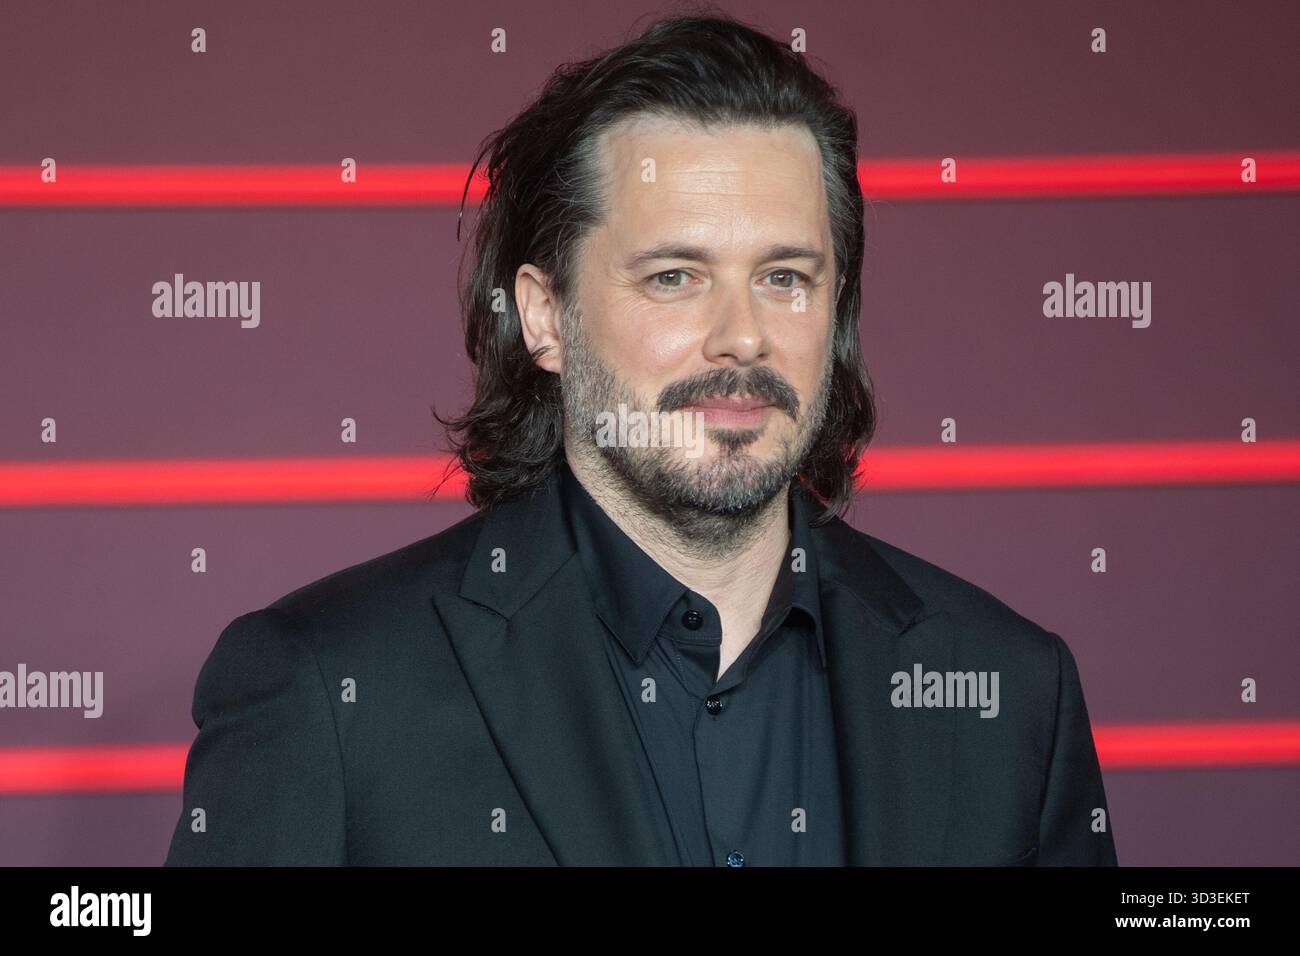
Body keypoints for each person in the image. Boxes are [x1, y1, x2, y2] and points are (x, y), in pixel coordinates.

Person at [165, 13, 1117, 866]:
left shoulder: (1007, 689)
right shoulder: (330, 688)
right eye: (674, 277)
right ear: (545, 318)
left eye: (785, 277)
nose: (742, 335)